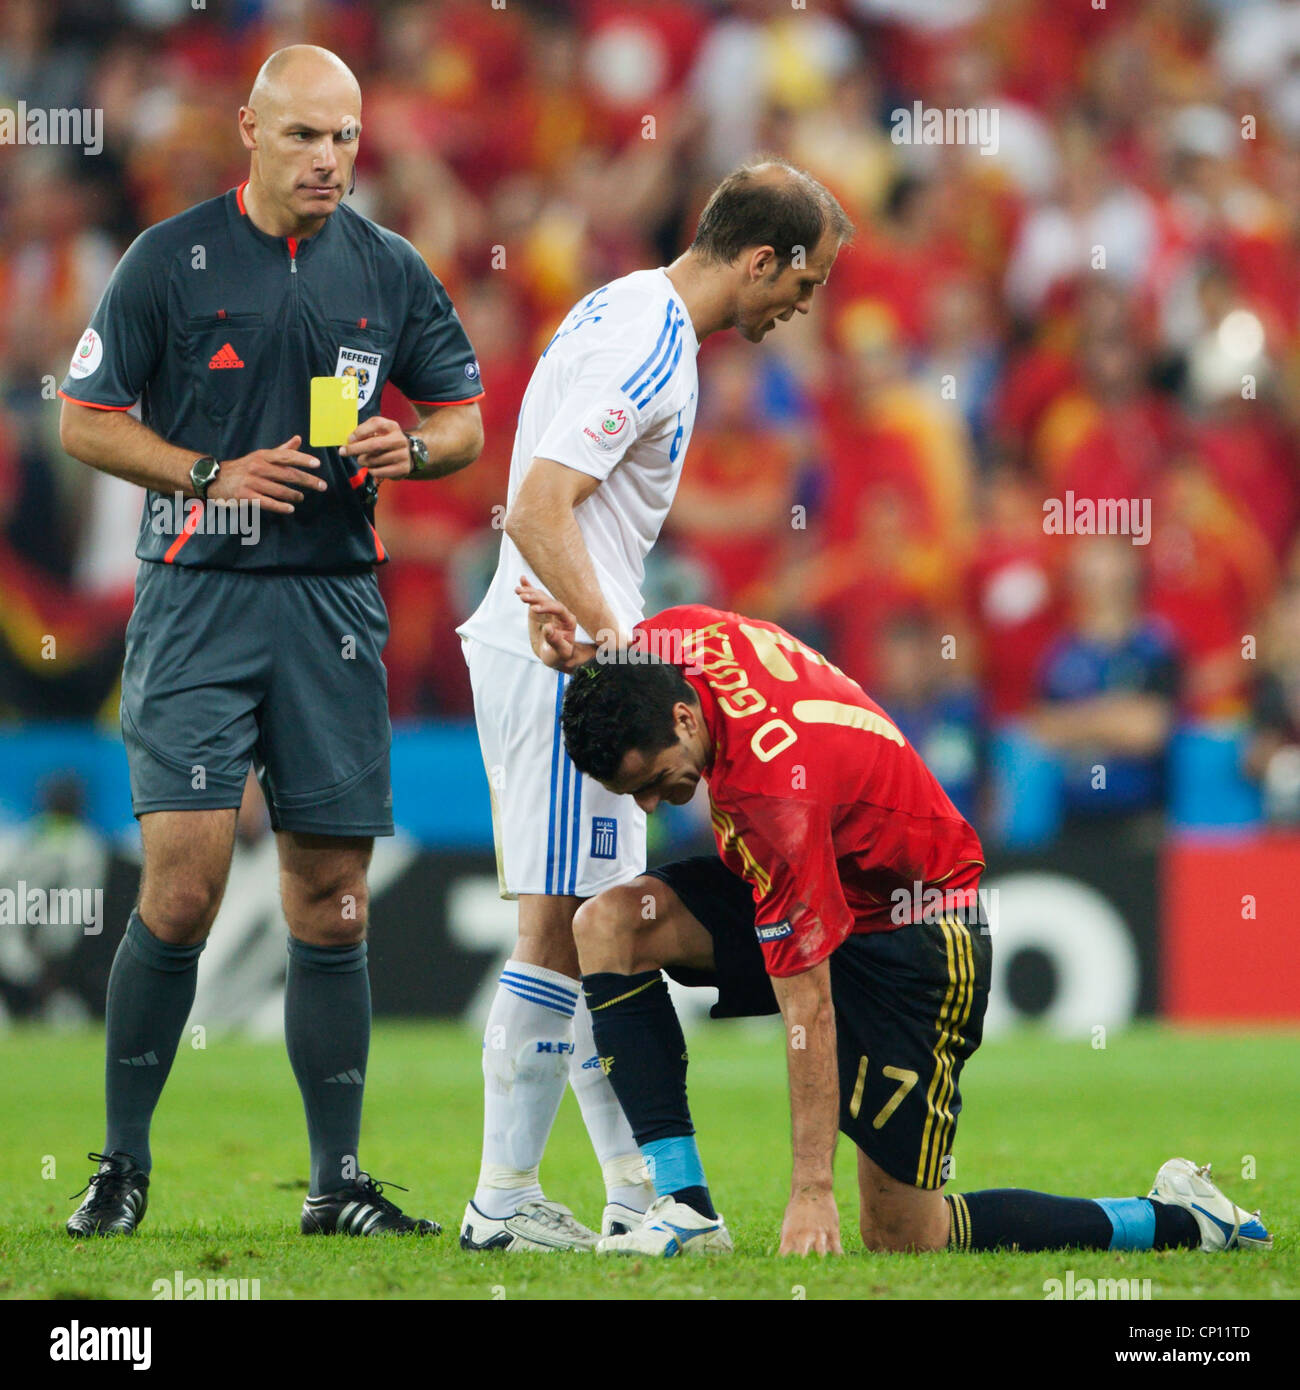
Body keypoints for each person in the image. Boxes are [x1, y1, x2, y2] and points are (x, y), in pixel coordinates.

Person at [520, 581, 1272, 1260]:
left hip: (918, 929)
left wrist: (811, 1191)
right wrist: (583, 659)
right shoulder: (669, 645)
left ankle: (1178, 1219)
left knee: (903, 1234)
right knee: (610, 924)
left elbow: (807, 1007)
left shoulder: (773, 796)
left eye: (653, 782)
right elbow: (626, 662)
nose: (653, 806)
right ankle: (683, 1207)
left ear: (685, 717)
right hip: (829, 874)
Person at [57, 45, 483, 1237]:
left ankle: (335, 1183)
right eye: (304, 136)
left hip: (333, 604)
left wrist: (419, 447)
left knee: (333, 901)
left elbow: (460, 417)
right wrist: (208, 471)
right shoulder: (168, 261)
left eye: (345, 138)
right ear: (249, 129)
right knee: (185, 884)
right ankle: (122, 1164)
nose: (328, 160)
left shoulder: (386, 270)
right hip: (198, 596)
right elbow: (87, 421)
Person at [454, 159, 852, 1251]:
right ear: (761, 258)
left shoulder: (621, 305)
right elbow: (537, 507)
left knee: (590, 922)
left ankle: (634, 1187)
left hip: (557, 645)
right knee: (554, 927)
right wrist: (625, 665)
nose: (799, 309)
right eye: (802, 285)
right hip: (563, 660)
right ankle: (503, 1199)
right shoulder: (652, 343)